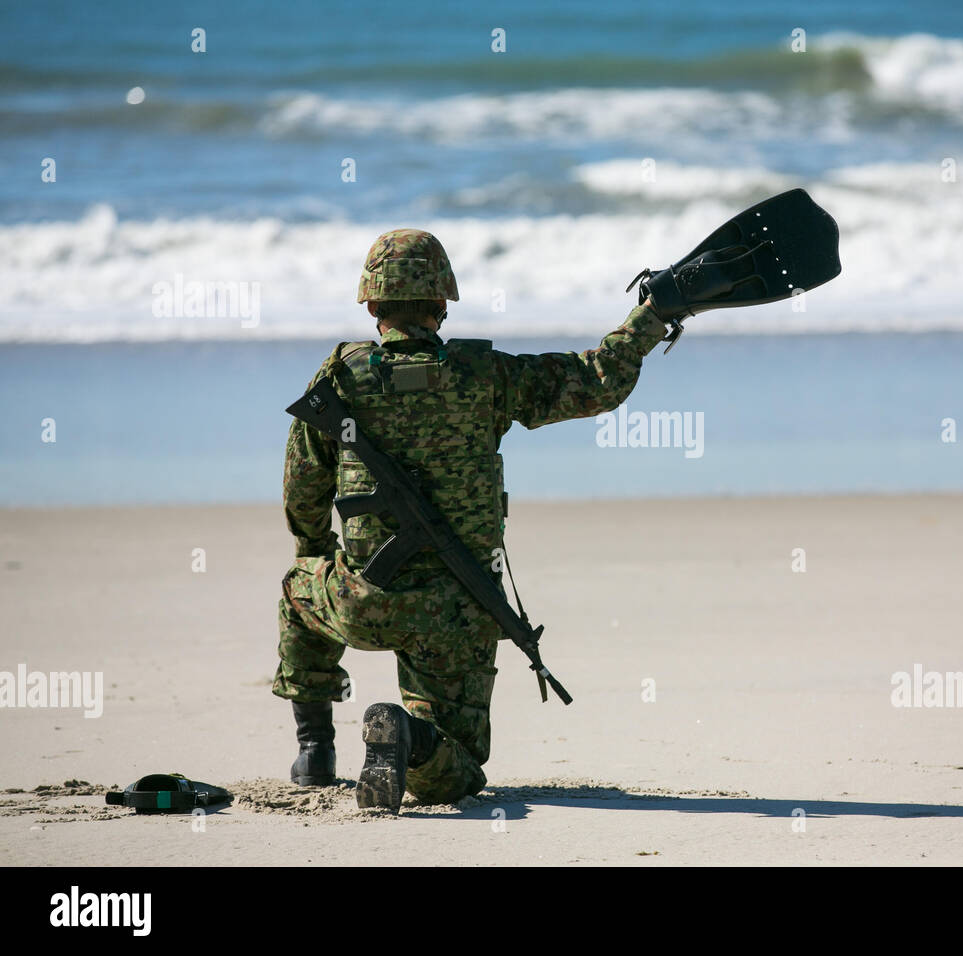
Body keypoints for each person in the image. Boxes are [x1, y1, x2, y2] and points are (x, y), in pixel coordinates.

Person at [274, 228, 668, 810]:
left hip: (365, 602)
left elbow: (302, 490)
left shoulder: (338, 383)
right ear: (443, 302)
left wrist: (316, 552)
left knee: (297, 588)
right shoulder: (485, 377)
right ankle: (411, 738)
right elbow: (598, 380)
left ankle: (314, 752)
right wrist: (652, 315)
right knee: (458, 770)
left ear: (372, 304)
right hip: (458, 616)